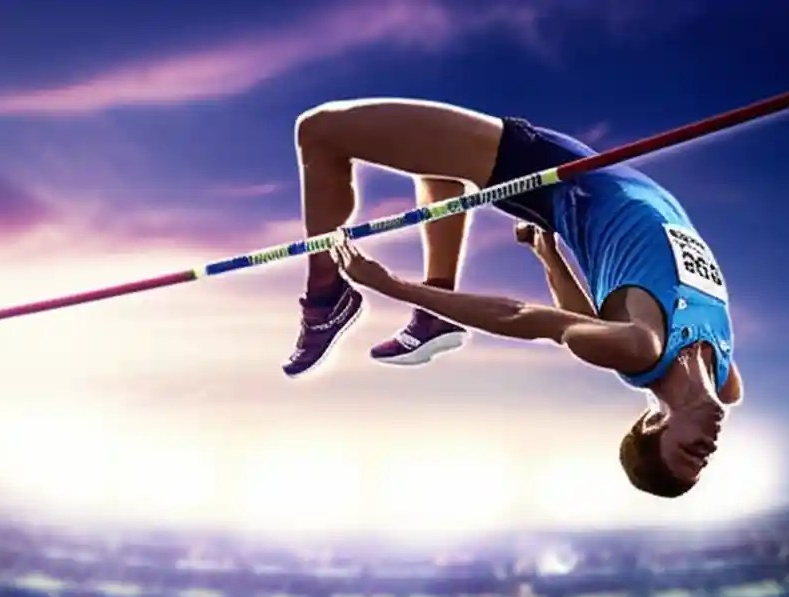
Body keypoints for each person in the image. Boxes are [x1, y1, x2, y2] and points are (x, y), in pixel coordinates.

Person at [283, 98, 743, 497]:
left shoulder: (642, 349)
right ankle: (431, 316)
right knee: (433, 165)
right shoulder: (725, 376)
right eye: (707, 456)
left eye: (690, 450)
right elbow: (594, 323)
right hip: (584, 178)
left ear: (652, 424)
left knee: (321, 130)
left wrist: (390, 284)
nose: (709, 445)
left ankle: (326, 299)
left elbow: (521, 315)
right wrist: (551, 257)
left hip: (553, 175)